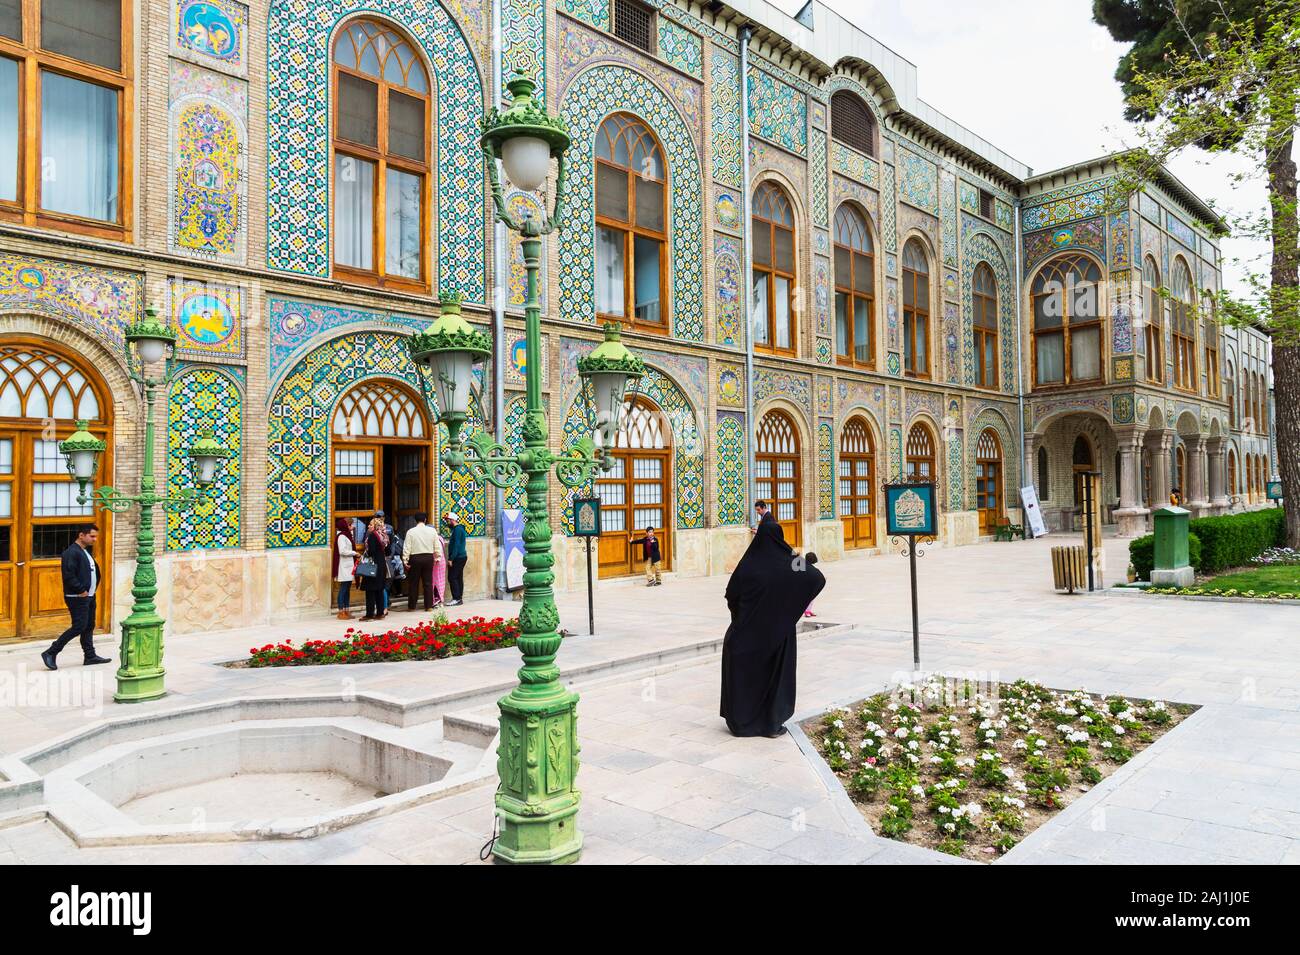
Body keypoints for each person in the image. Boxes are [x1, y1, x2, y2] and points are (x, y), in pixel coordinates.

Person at [720, 519, 824, 738]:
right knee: (773, 678)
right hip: (777, 634)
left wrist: (742, 617)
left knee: (743, 679)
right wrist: (788, 609)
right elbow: (816, 578)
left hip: (743, 635)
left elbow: (731, 595)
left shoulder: (748, 564)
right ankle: (770, 725)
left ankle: (741, 725)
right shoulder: (789, 563)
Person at [41, 525, 111, 670]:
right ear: (81, 535)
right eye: (92, 536)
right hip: (77, 597)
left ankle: (90, 656)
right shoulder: (71, 553)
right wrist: (81, 590)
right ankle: (50, 652)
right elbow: (68, 575)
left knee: (88, 626)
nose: (95, 539)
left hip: (89, 596)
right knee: (79, 626)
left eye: (95, 536)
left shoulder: (84, 552)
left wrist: (90, 592)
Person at [402, 511, 444, 611]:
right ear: (425, 520)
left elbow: (407, 547)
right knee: (428, 583)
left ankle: (412, 606)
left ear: (415, 520)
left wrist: (405, 560)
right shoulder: (432, 531)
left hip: (415, 559)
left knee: (413, 583)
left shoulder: (411, 531)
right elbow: (436, 546)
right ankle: (428, 606)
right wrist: (437, 557)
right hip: (428, 558)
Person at [359, 517, 390, 621]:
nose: (368, 526)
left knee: (370, 590)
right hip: (381, 564)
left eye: (371, 525)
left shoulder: (372, 536)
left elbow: (371, 552)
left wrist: (364, 553)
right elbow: (388, 551)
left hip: (372, 565)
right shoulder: (384, 536)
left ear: (375, 526)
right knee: (379, 589)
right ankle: (380, 613)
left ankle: (369, 614)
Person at [333, 517, 357, 619]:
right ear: (346, 525)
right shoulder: (342, 536)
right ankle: (341, 611)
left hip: (348, 566)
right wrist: (354, 553)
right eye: (350, 525)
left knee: (347, 589)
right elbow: (342, 551)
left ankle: (347, 610)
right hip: (343, 566)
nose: (353, 526)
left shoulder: (348, 535)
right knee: (343, 589)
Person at [444, 511, 468, 606]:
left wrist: (451, 558)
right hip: (461, 557)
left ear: (452, 520)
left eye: (448, 520)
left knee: (452, 577)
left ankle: (456, 598)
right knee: (458, 577)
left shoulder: (457, 530)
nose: (447, 523)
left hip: (458, 557)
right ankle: (459, 598)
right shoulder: (458, 529)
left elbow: (457, 545)